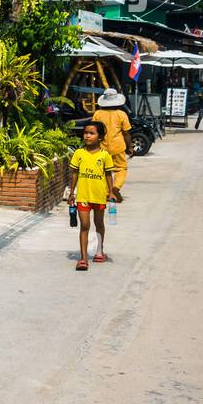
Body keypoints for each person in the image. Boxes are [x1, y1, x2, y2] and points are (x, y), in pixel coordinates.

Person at [65, 121, 116, 271]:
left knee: (99, 223)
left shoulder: (105, 155)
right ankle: (83, 259)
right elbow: (74, 173)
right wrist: (72, 192)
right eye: (86, 132)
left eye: (91, 133)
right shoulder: (79, 154)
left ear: (100, 137)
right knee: (84, 226)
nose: (87, 136)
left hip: (99, 196)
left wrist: (111, 192)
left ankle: (99, 252)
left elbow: (108, 174)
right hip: (83, 196)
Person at [90, 88, 131, 201]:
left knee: (103, 170)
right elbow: (126, 133)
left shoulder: (97, 114)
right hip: (118, 146)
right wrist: (130, 147)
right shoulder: (121, 114)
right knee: (121, 169)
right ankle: (116, 188)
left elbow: (93, 130)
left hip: (102, 147)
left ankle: (106, 192)